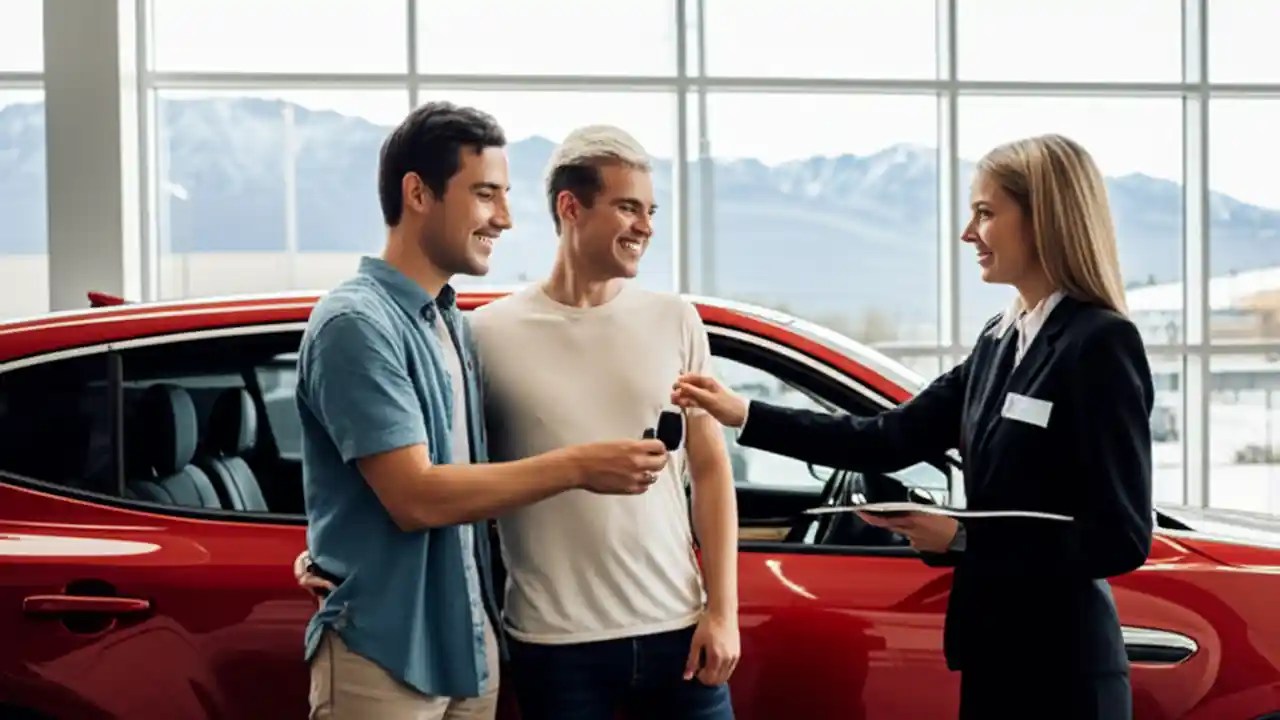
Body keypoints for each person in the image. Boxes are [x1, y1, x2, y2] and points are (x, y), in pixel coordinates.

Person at [671, 133, 1154, 720]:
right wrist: (743, 412)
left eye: (985, 213)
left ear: (1043, 219)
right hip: (993, 658)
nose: (967, 233)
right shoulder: (1001, 342)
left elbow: (1121, 538)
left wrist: (962, 537)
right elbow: (886, 438)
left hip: (1063, 672)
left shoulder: (1100, 344)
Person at [297, 102, 672, 720]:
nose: (504, 217)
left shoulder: (451, 323)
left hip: (468, 647)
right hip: (385, 654)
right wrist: (579, 466)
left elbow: (439, 476)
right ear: (418, 193)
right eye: (485, 195)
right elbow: (415, 496)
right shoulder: (356, 325)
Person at [467, 124, 741, 720]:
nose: (645, 225)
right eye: (627, 207)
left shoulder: (675, 320)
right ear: (571, 207)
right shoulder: (487, 335)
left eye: (650, 210)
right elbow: (448, 481)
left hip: (680, 636)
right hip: (555, 648)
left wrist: (723, 612)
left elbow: (712, 469)